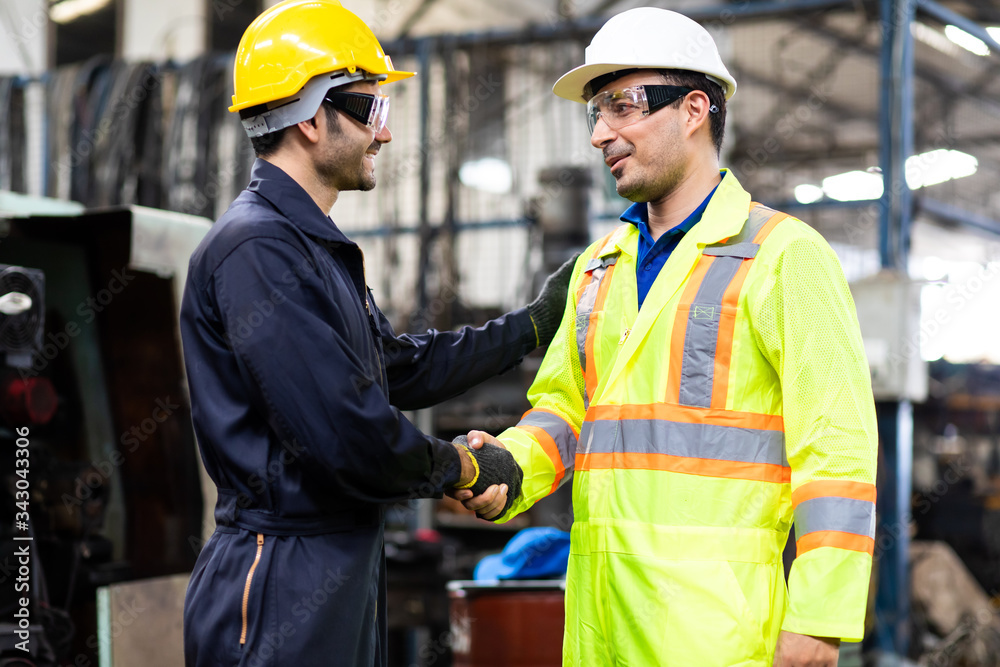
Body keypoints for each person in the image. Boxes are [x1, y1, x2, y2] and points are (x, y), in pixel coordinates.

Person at [456, 7, 878, 667]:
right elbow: (569, 409)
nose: (601, 133)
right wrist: (512, 467)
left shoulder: (783, 255)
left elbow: (838, 452)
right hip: (600, 623)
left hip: (713, 634)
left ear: (694, 110)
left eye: (622, 106)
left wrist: (819, 619)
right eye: (595, 113)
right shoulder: (599, 265)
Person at [179, 2, 570, 665]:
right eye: (370, 110)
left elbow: (397, 369)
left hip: (331, 560)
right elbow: (345, 430)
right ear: (308, 117)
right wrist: (463, 466)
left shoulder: (308, 244)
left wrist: (529, 325)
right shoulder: (258, 250)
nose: (383, 135)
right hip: (279, 575)